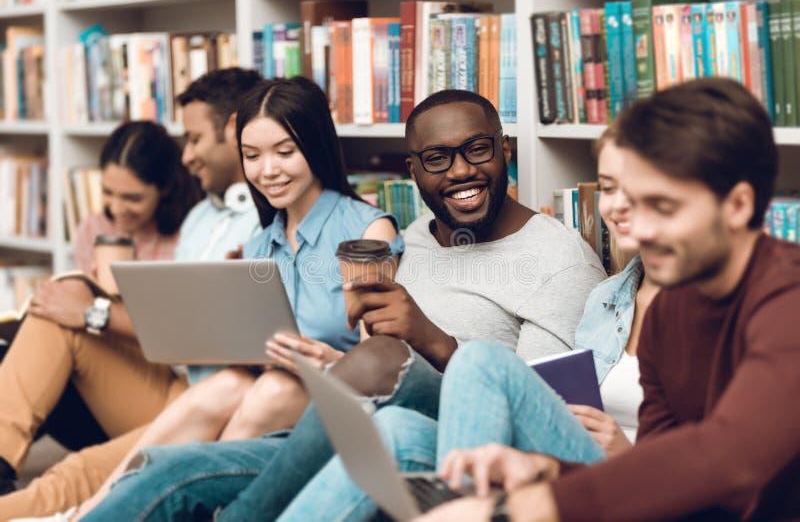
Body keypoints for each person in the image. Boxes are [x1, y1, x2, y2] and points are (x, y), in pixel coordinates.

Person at [82, 89, 606, 521]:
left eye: (478, 150)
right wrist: (331, 363)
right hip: (357, 416)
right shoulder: (415, 239)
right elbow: (368, 363)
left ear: (506, 151)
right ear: (413, 171)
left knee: (380, 367)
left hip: (456, 440)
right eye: (437, 159)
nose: (460, 173)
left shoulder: (557, 259)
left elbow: (542, 409)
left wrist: (434, 340)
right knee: (169, 469)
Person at [419, 78, 800, 521]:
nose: (637, 229)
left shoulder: (787, 301)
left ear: (736, 206)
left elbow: (735, 458)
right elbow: (655, 474)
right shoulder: (668, 309)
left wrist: (533, 504)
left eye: (663, 207)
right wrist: (549, 469)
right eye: (629, 201)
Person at [275, 125, 662, 521]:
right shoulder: (611, 298)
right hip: (572, 461)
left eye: (642, 192)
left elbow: (707, 464)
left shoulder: (695, 312)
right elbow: (561, 399)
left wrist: (629, 457)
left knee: (472, 360)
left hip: (634, 484)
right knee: (393, 428)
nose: (616, 207)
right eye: (609, 189)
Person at [73, 75, 403, 519]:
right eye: (252, 156)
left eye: (285, 152)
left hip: (340, 400)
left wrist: (324, 360)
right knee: (227, 384)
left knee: (272, 388)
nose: (268, 170)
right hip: (263, 391)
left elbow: (382, 363)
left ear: (317, 147)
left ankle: (194, 503)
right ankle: (98, 507)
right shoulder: (259, 244)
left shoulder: (366, 231)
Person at [0, 68, 263, 520]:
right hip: (170, 379)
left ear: (235, 130)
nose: (187, 156)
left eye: (195, 139)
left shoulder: (265, 220)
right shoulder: (202, 216)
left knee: (78, 472)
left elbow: (219, 335)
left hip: (216, 398)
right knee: (58, 303)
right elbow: (174, 324)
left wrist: (97, 314)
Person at [0, 121, 201, 506]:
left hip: (170, 377)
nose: (116, 207)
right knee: (44, 319)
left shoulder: (188, 235)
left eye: (133, 198)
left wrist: (99, 310)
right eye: (108, 192)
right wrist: (83, 295)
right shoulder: (94, 227)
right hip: (108, 375)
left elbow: (185, 340)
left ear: (164, 188)